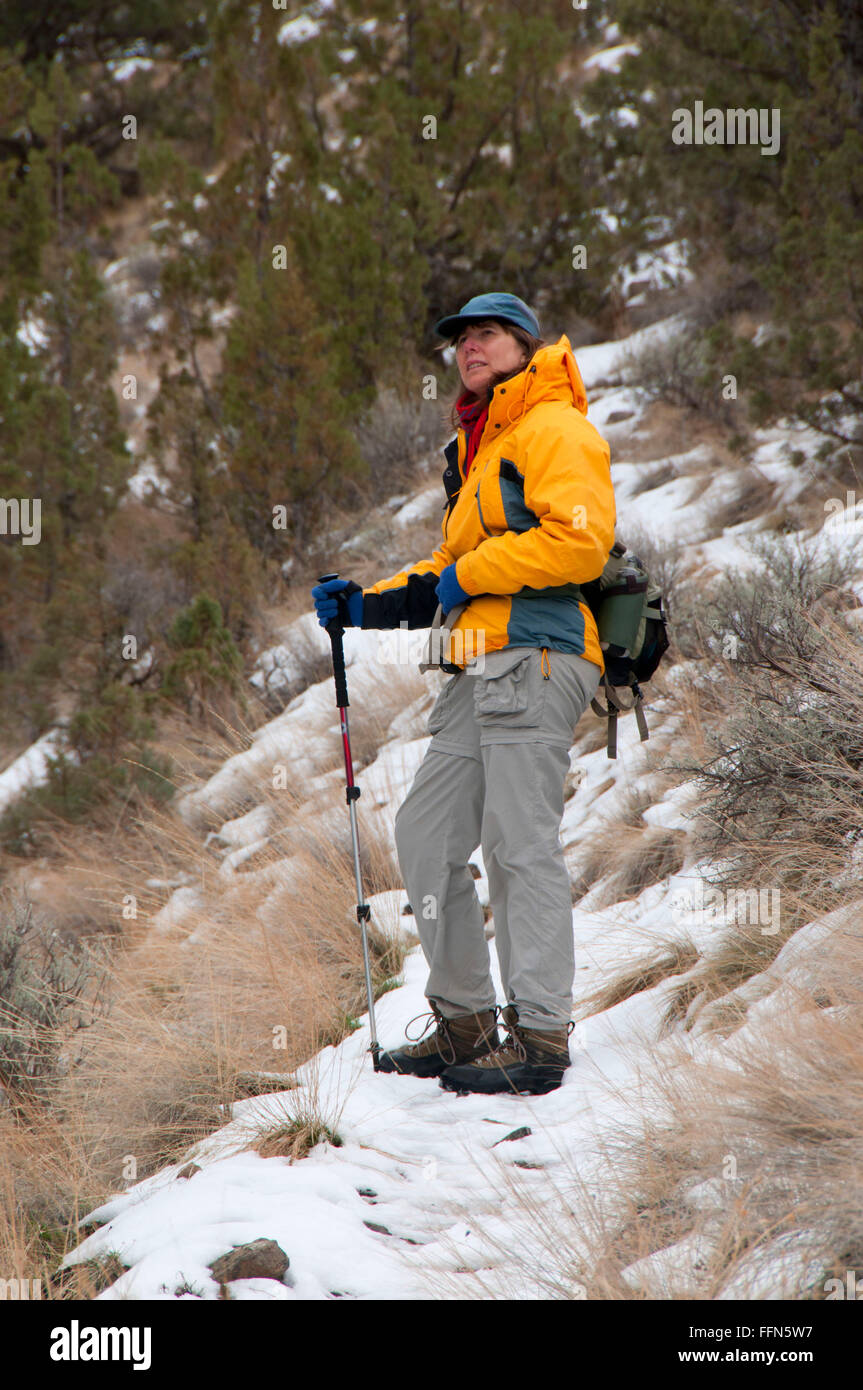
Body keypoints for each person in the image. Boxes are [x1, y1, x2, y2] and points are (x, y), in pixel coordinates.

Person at [312, 291, 616, 1095]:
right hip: (472, 664)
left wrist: (465, 574)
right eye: (459, 339)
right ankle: (465, 1023)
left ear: (523, 345)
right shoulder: (478, 449)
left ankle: (541, 1038)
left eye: (486, 335)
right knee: (425, 838)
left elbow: (578, 542)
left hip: (537, 655)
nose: (469, 348)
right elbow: (450, 576)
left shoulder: (555, 427)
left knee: (518, 848)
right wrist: (366, 604)